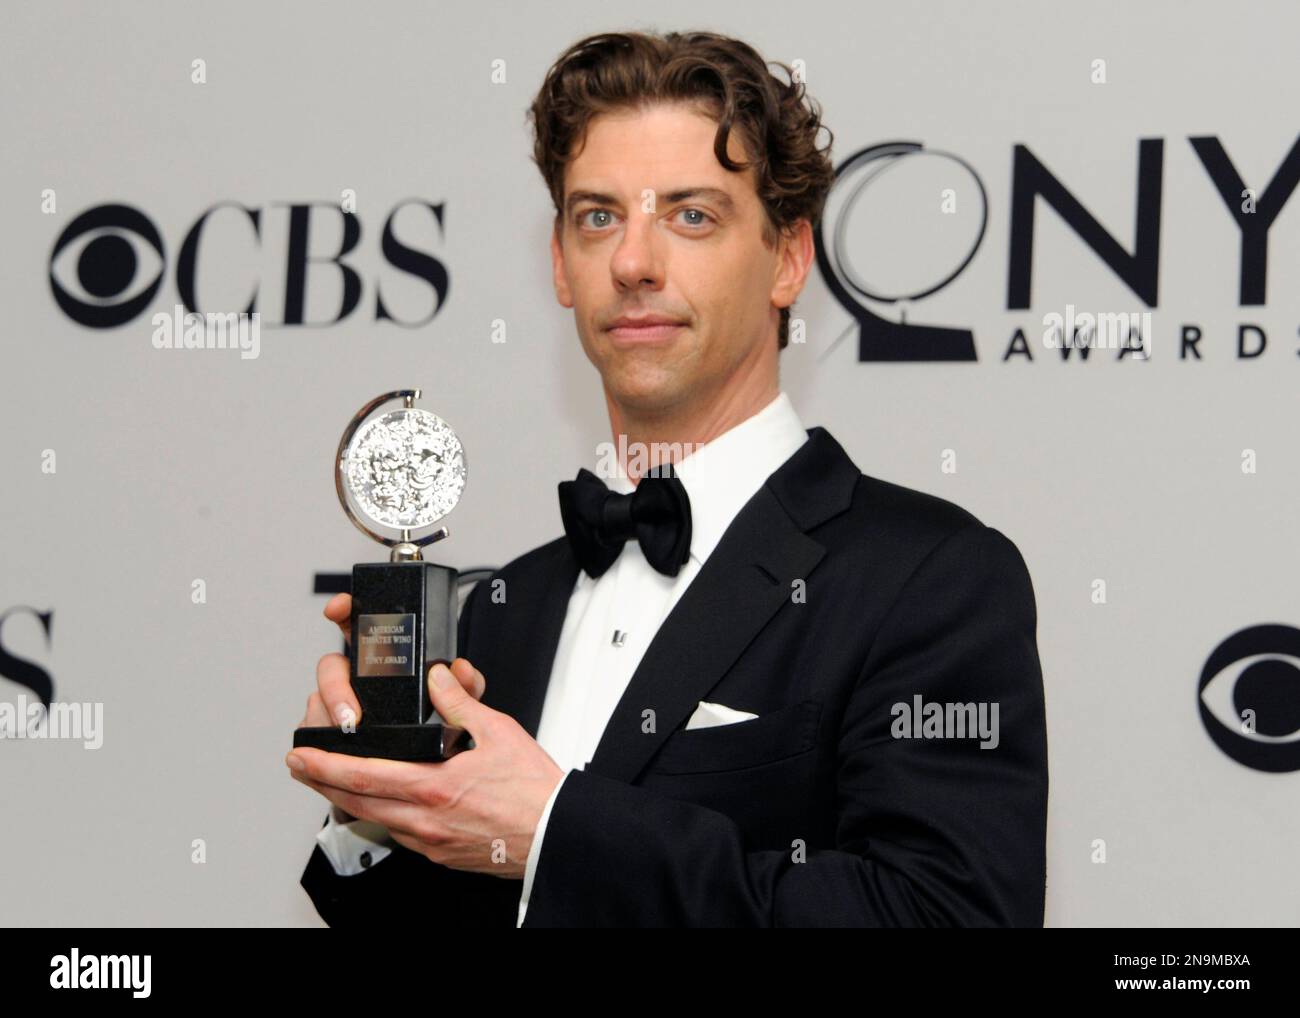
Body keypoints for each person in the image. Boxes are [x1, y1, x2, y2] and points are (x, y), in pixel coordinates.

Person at [287, 29, 1048, 927]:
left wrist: (555, 830)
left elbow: (945, 917)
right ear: (560, 265)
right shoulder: (500, 610)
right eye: (597, 216)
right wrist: (379, 804)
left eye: (691, 215)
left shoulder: (929, 580)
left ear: (788, 259)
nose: (633, 262)